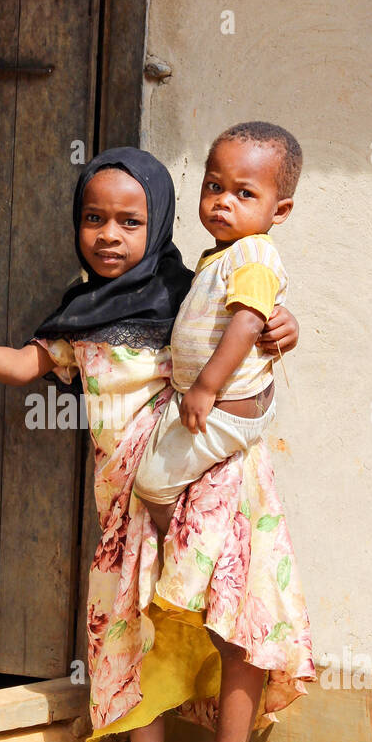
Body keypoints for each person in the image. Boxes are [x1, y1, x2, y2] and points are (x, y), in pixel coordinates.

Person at [0, 148, 313, 742]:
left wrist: (285, 326)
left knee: (232, 618)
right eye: (94, 218)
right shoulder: (81, 310)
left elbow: (249, 319)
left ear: (156, 226)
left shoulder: (190, 291)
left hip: (209, 485)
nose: (108, 234)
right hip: (128, 499)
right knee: (131, 624)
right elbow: (23, 364)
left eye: (130, 221)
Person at [134, 121, 301, 539]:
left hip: (224, 403)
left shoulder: (254, 254)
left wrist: (206, 387)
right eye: (213, 187)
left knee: (154, 486)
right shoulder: (226, 255)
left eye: (244, 193)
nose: (223, 202)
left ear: (279, 210)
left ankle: (189, 553)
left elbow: (248, 322)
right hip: (215, 401)